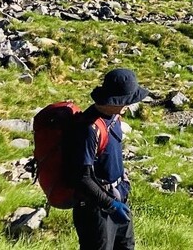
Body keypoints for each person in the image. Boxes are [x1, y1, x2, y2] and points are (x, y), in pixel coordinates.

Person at [73, 68, 150, 250]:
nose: (129, 105)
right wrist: (110, 205)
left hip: (118, 200)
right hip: (96, 210)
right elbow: (81, 177)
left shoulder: (114, 118)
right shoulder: (88, 129)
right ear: (116, 100)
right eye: (128, 100)